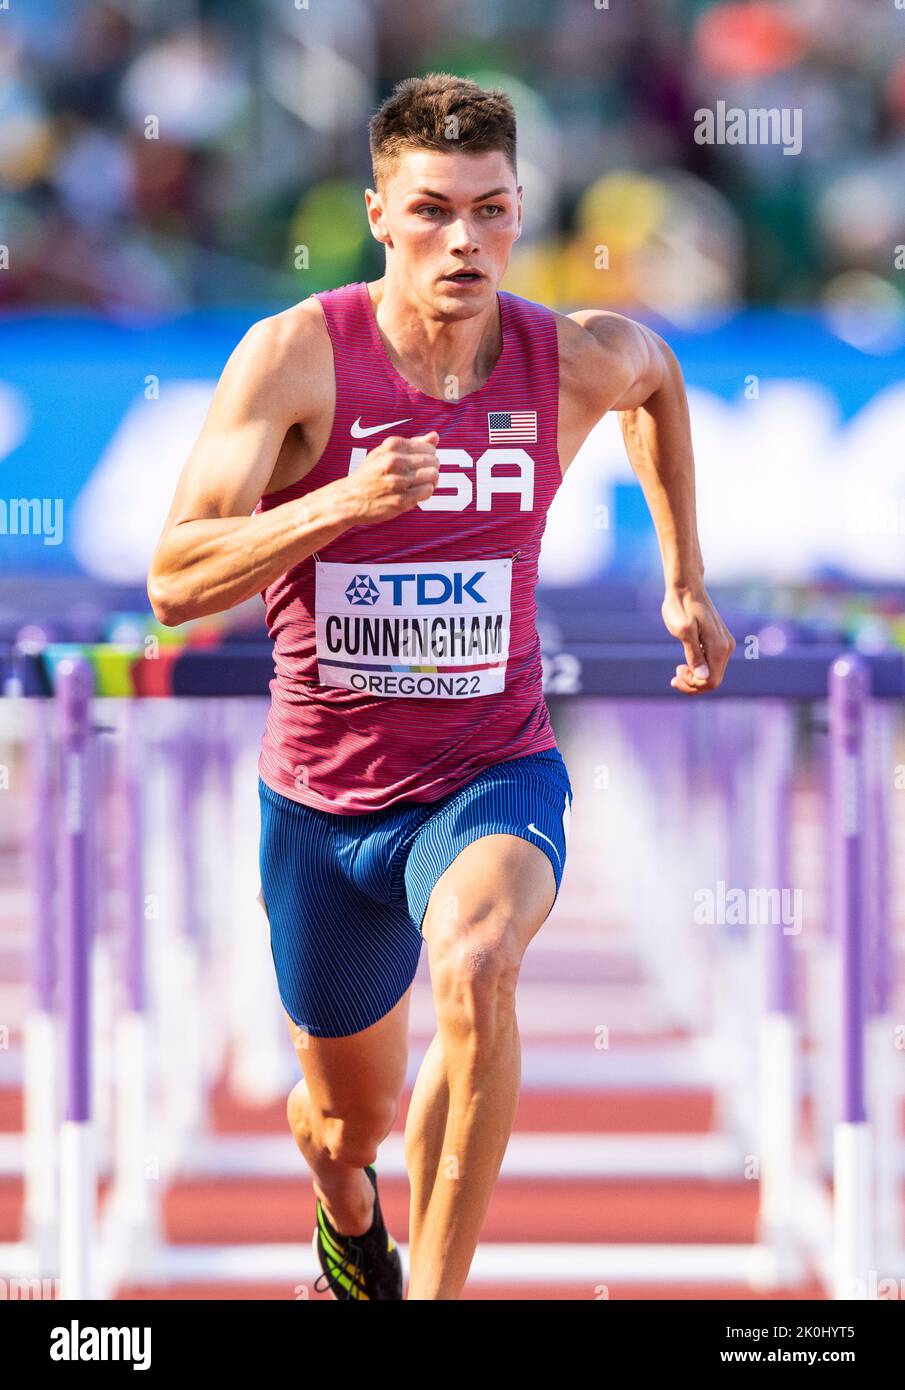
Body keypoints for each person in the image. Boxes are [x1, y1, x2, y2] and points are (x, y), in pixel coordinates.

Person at [147, 72, 735, 1301]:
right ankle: (348, 1214)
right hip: (322, 804)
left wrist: (683, 575)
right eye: (429, 211)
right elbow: (173, 580)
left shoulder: (567, 357)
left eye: (489, 209)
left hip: (489, 772)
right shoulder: (294, 359)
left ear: (521, 214)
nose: (461, 240)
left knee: (475, 961)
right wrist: (342, 502)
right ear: (377, 213)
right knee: (339, 1128)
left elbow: (657, 381)